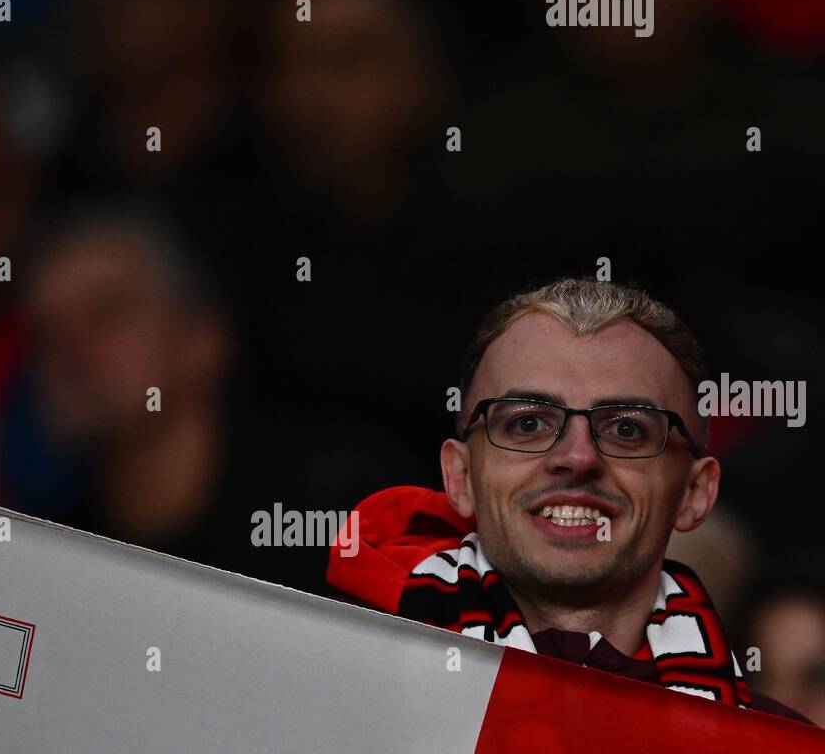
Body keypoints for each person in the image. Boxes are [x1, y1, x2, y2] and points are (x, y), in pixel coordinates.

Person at [327, 277, 807, 723]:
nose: (577, 457)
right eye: (527, 423)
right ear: (461, 477)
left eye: (626, 429)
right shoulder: (327, 705)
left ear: (695, 493)